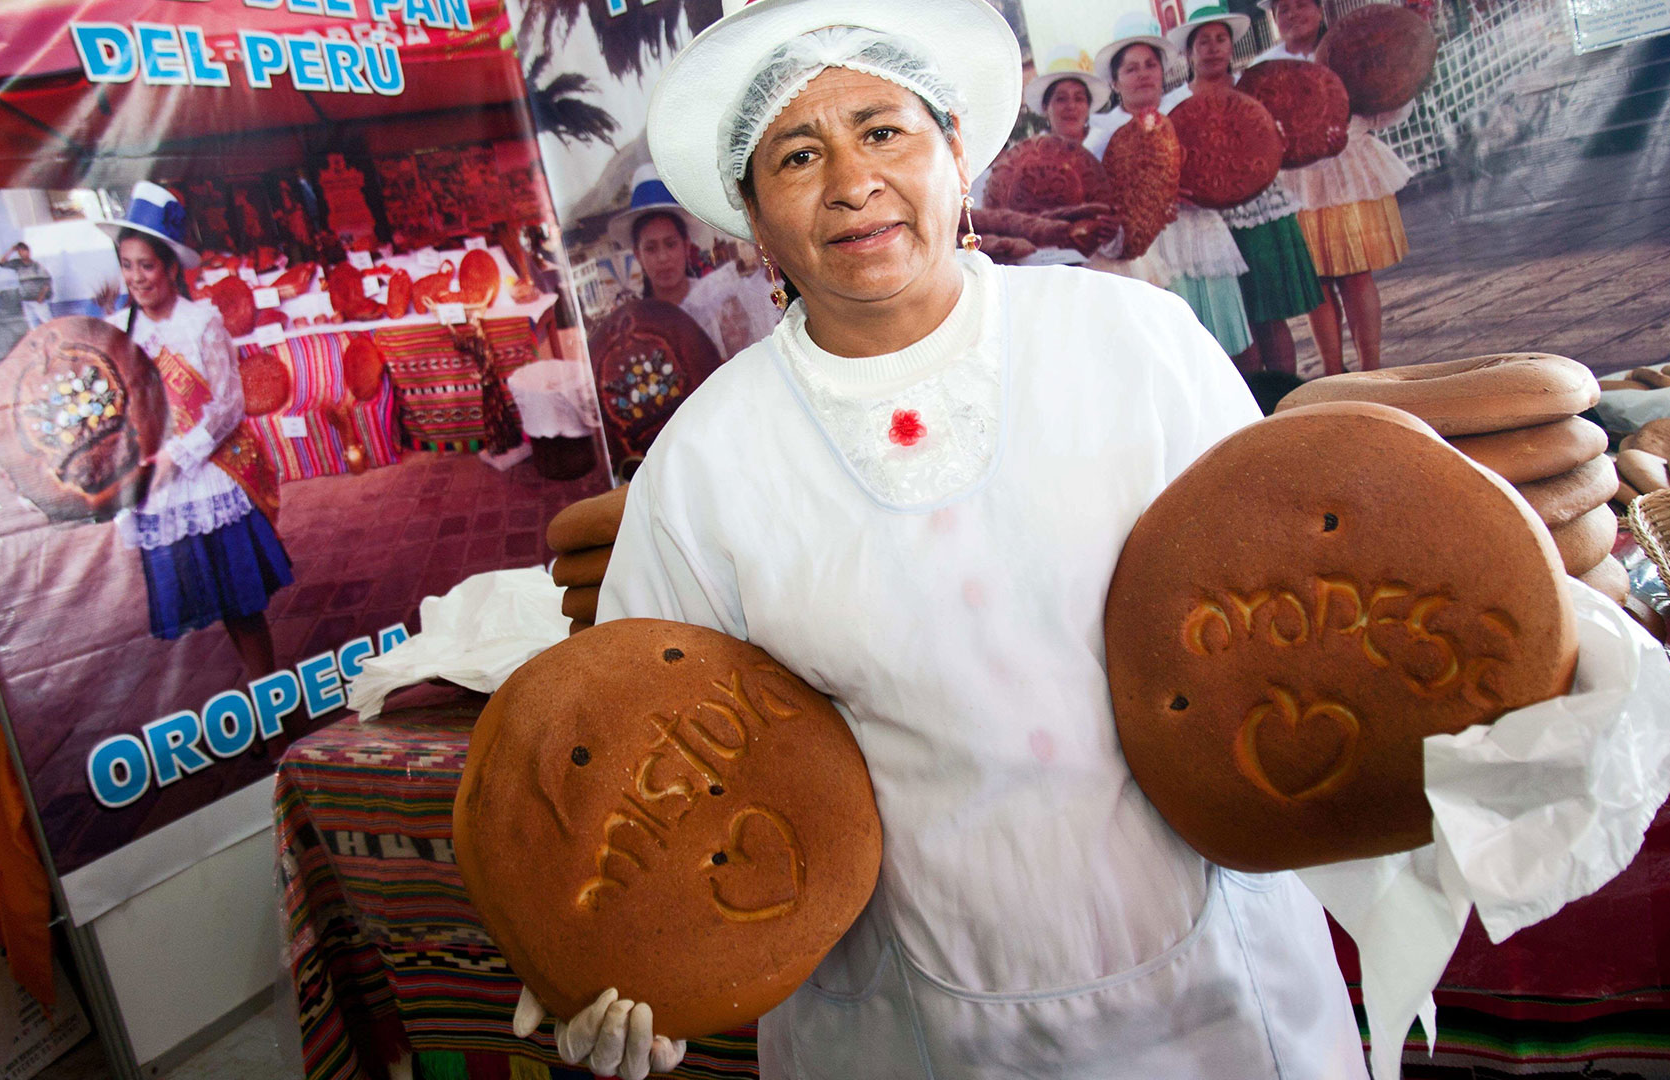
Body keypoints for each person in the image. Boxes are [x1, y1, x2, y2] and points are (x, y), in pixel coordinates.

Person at [512, 1, 1365, 1076]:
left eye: (883, 130)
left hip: (1226, 994)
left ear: (955, 146)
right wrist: (623, 956)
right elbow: (649, 754)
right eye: (797, 154)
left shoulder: (1131, 343)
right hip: (907, 1026)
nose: (852, 182)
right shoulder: (708, 463)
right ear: (751, 213)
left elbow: (1301, 613)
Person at [97, 181, 291, 681]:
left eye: (147, 265)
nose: (137, 277)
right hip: (159, 492)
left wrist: (177, 458)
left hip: (208, 475)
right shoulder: (118, 329)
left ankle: (273, 704)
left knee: (241, 607)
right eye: (127, 265)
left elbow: (229, 406)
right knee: (198, 602)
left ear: (169, 268)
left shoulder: (201, 320)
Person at [1254, 0, 1414, 372]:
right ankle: (1332, 369)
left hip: (1347, 172)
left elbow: (1385, 100)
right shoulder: (1264, 68)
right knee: (1317, 279)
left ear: (1320, 10)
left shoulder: (1348, 52)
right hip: (1296, 182)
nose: (1293, 15)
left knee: (1357, 272)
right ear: (1275, 19)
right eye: (1283, 10)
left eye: (1301, 5)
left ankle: (1371, 367)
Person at [1169, 5, 1323, 375]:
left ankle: (1287, 390)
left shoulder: (1256, 87)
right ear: (1190, 51)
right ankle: (1254, 401)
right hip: (1210, 220)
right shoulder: (1175, 103)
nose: (1213, 48)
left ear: (1230, 45)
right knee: (1236, 319)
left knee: (1270, 311)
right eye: (1203, 41)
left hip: (1260, 208)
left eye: (1220, 39)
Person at [1087, 32, 1254, 357]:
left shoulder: (1188, 112)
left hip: (1201, 236)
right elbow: (1100, 203)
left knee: (1233, 348)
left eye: (1151, 65)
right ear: (1115, 83)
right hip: (1150, 252)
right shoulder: (1102, 136)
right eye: (1132, 69)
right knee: (1181, 349)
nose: (1144, 73)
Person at [609, 163, 780, 361]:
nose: (663, 258)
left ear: (686, 245)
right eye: (651, 248)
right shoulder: (637, 323)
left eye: (670, 244)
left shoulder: (719, 302)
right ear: (638, 254)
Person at [970, 56, 1120, 266]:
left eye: (1079, 99)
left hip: (1105, 265)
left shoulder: (1106, 147)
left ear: (1088, 106)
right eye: (1060, 99)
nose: (1071, 106)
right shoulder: (1023, 160)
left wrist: (1113, 230)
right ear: (1045, 107)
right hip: (1047, 268)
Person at [0, 241, 55, 328]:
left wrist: (41, 296)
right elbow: (2, 263)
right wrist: (11, 250)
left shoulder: (36, 265)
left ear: (28, 252)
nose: (21, 254)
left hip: (38, 300)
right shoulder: (17, 264)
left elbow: (47, 281)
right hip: (26, 300)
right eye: (19, 252)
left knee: (48, 323)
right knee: (33, 326)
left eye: (23, 251)